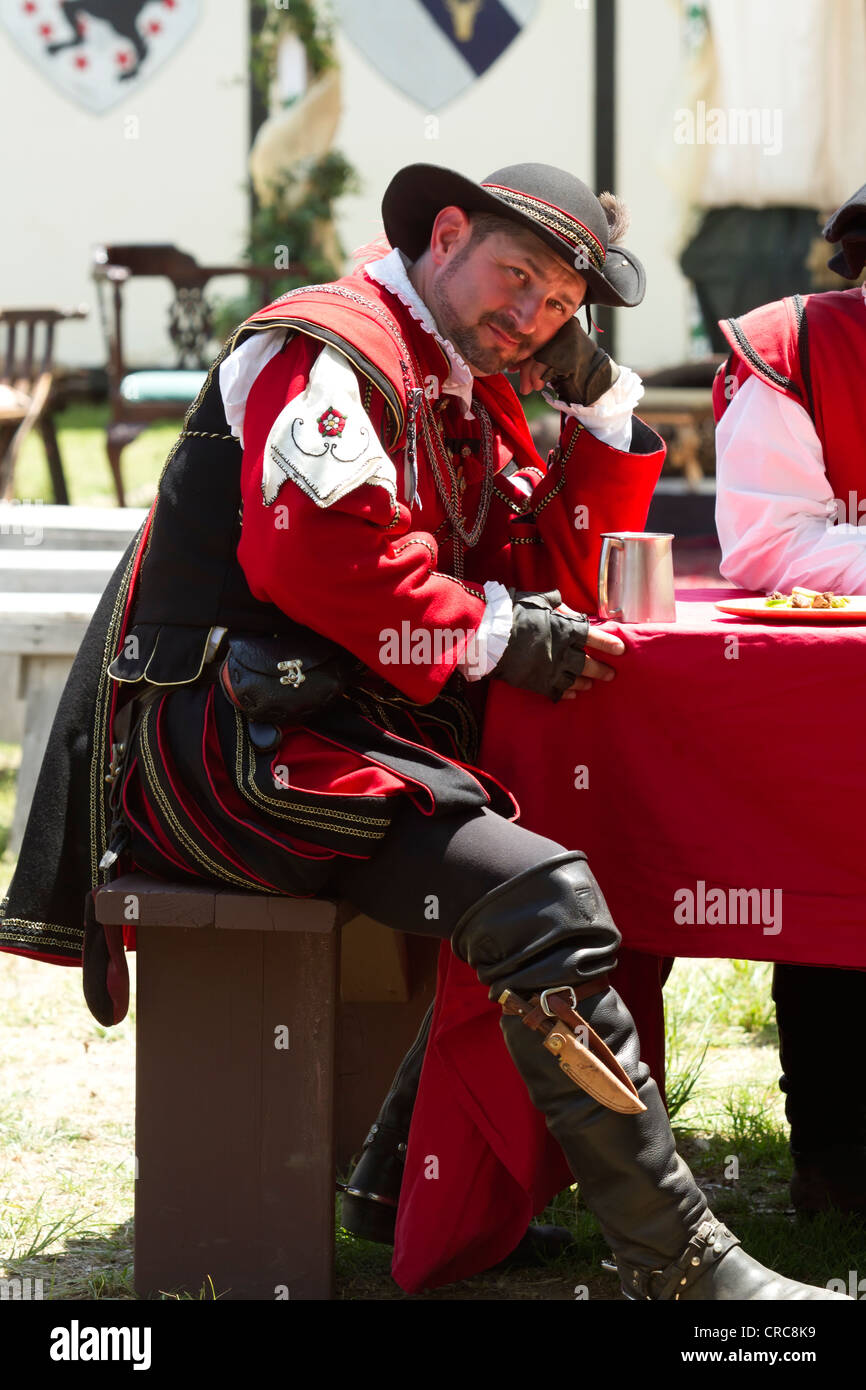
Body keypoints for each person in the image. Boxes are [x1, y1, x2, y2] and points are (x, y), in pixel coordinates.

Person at [0, 161, 842, 1300]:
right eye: (516, 277)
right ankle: (676, 1260)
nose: (530, 317)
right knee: (536, 891)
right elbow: (319, 559)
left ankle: (398, 1184)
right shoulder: (332, 349)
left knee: (552, 842)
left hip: (332, 734)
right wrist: (496, 634)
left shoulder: (461, 380)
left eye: (556, 306)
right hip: (225, 752)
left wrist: (594, 408)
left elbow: (549, 569)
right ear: (444, 233)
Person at [714, 181, 866, 1218]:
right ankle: (840, 1153)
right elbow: (763, 547)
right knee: (832, 873)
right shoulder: (791, 343)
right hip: (832, 700)